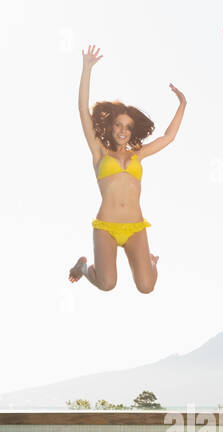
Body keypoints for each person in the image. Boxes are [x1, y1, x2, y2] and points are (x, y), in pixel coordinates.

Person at [69, 45, 186, 294]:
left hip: (135, 227)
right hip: (107, 227)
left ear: (132, 132)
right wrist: (87, 68)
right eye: (119, 125)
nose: (123, 131)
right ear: (111, 127)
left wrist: (182, 103)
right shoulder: (99, 151)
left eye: (128, 127)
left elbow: (168, 137)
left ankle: (150, 262)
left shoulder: (138, 155)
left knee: (146, 286)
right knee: (107, 283)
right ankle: (82, 268)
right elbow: (82, 110)